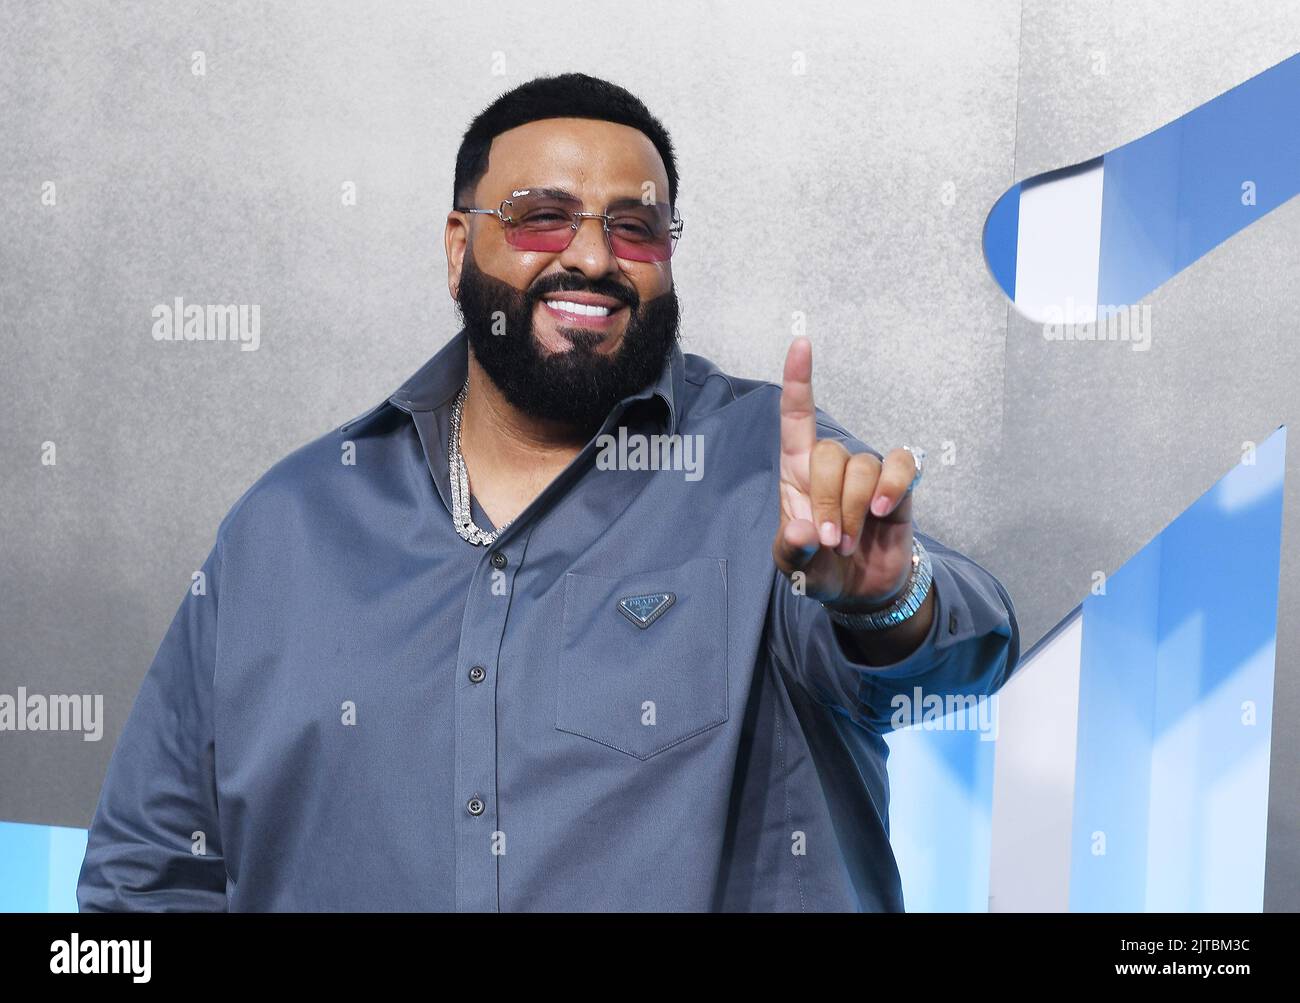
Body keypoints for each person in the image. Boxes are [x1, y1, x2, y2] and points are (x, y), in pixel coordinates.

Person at [78, 72, 1019, 912]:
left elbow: (958, 651)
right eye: (541, 217)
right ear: (459, 247)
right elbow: (146, 873)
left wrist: (882, 596)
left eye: (634, 226)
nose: (594, 258)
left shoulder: (761, 470)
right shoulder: (288, 528)